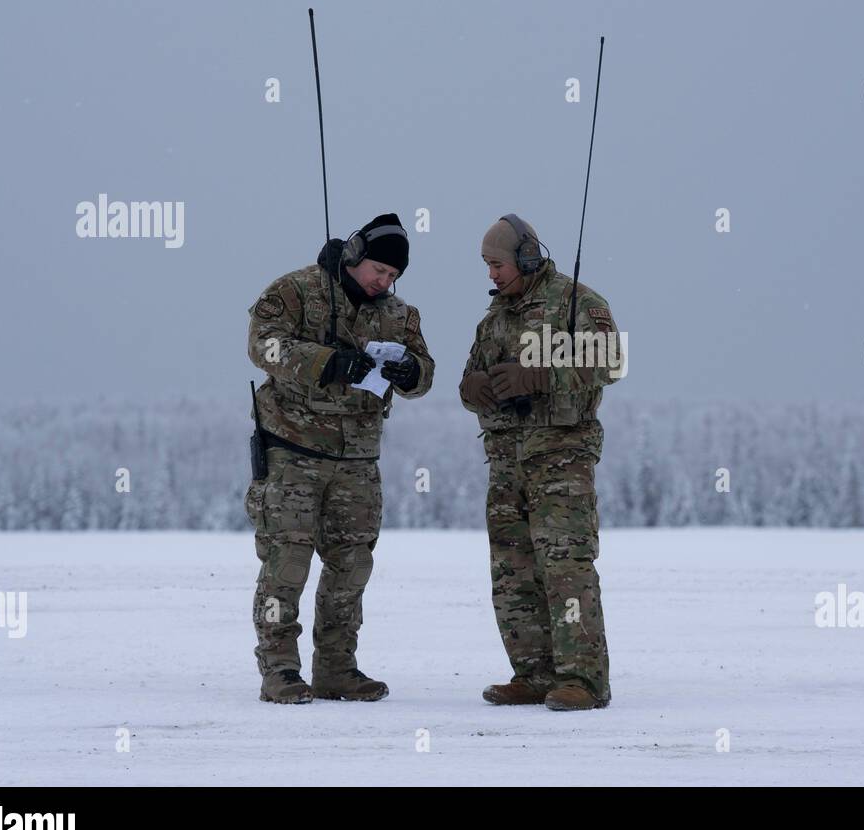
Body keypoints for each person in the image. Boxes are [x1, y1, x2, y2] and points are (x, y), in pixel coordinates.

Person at [245, 213, 433, 704]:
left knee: (351, 568)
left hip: (357, 459)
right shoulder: (297, 291)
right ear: (354, 255)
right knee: (285, 564)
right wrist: (325, 362)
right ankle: (280, 668)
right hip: (293, 450)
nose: (383, 281)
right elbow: (263, 344)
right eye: (378, 270)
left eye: (393, 276)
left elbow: (425, 372)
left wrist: (410, 371)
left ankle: (336, 667)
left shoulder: (398, 314)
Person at [459, 214, 622, 711]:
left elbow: (610, 361)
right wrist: (474, 389)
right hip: (506, 462)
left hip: (560, 459)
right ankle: (532, 673)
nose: (491, 275)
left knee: (565, 566)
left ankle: (582, 680)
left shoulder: (577, 303)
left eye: (498, 264)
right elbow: (471, 376)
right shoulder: (495, 319)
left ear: (527, 258)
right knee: (513, 570)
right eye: (487, 266)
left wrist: (540, 377)